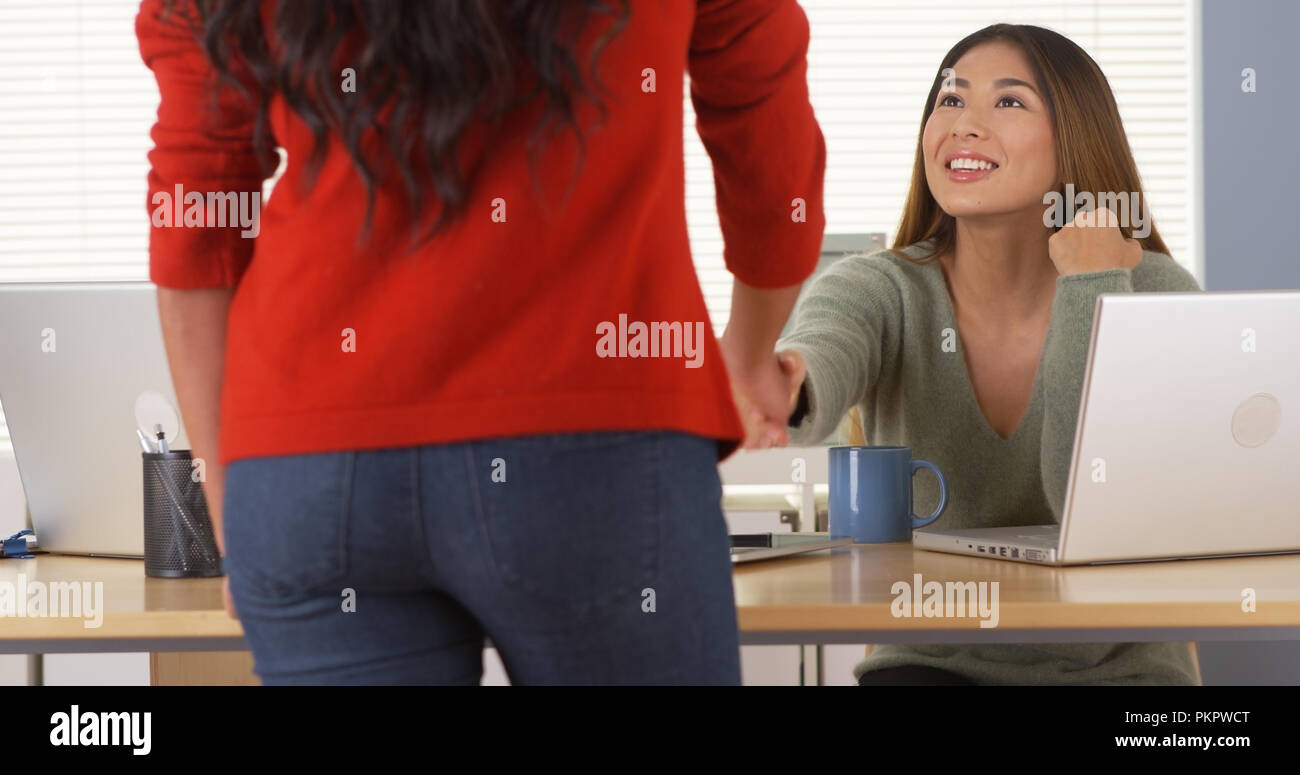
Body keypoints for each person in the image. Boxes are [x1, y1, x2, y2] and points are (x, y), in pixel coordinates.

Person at [136, 0, 826, 685]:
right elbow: (766, 119)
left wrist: (228, 498)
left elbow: (197, 202)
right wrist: (748, 356)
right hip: (593, 447)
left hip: (311, 472)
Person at [774, 23, 1201, 685]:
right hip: (929, 665)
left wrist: (1091, 283)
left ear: (1075, 137)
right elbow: (821, 355)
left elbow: (1089, 500)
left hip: (1124, 675)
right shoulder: (879, 290)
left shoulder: (1155, 293)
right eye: (950, 99)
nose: (964, 124)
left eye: (1008, 101)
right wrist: (785, 384)